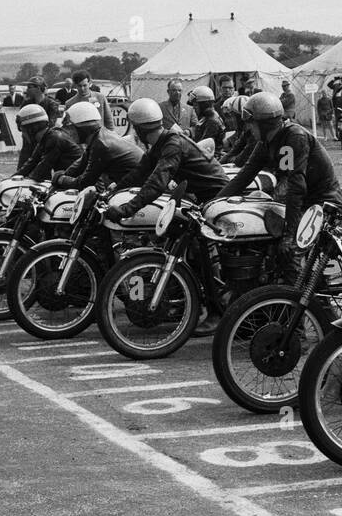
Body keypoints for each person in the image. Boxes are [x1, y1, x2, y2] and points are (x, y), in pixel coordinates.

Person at [103, 99, 228, 333]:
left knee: (196, 249)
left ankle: (215, 311)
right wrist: (113, 191)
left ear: (139, 128)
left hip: (216, 198)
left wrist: (127, 209)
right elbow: (140, 174)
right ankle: (184, 300)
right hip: (200, 197)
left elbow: (157, 182)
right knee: (175, 240)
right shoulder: (160, 144)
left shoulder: (171, 144)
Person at [218, 93, 342, 242]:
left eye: (252, 123)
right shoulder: (265, 142)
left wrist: (290, 233)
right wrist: (213, 204)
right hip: (303, 201)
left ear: (265, 124)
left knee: (290, 250)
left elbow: (295, 185)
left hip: (322, 202)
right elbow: (244, 176)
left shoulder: (294, 137)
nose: (249, 127)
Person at [57, 102, 144, 191]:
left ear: (82, 128)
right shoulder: (99, 137)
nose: (68, 133)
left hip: (138, 187)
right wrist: (64, 174)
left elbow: (85, 182)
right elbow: (81, 163)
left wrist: (61, 179)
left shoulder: (101, 144)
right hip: (130, 182)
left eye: (70, 127)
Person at [13, 104, 80, 182]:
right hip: (68, 180)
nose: (23, 135)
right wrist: (10, 180)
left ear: (31, 129)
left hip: (75, 182)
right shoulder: (46, 138)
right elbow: (31, 163)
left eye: (23, 130)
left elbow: (41, 170)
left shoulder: (54, 139)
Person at [186, 86, 226, 152]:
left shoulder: (212, 121)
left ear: (204, 105)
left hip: (210, 157)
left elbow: (203, 145)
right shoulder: (206, 117)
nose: (194, 108)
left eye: (196, 105)